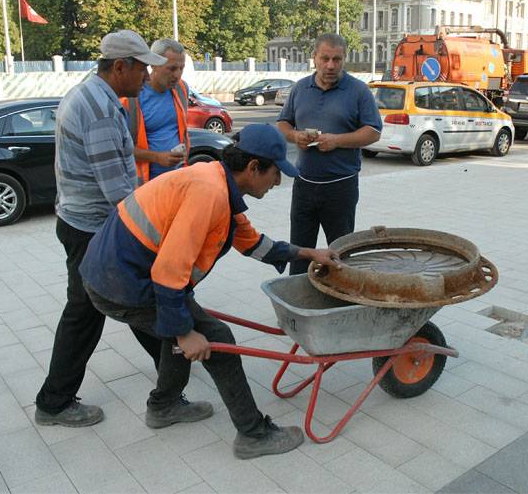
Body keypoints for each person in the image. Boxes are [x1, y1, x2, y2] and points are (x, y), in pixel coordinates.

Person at [78, 124, 341, 459]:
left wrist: (309, 253)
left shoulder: (218, 183)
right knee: (215, 338)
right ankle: (253, 434)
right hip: (121, 281)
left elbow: (254, 244)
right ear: (253, 168)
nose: (277, 182)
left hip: (121, 272)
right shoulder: (209, 194)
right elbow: (169, 272)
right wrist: (185, 332)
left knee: (179, 331)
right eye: (275, 173)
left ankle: (165, 406)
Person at [34, 30, 168, 428]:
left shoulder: (94, 96)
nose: (147, 76)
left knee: (122, 302)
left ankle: (171, 365)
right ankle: (54, 402)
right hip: (93, 228)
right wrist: (158, 232)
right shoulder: (98, 111)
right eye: (142, 67)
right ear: (120, 67)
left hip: (83, 222)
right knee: (106, 307)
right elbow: (119, 194)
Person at [276, 33, 382, 275]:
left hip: (340, 188)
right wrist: (296, 136)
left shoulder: (358, 90)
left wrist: (337, 141)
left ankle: (339, 302)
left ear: (345, 59)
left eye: (337, 59)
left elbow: (373, 132)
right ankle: (300, 303)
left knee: (341, 253)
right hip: (304, 185)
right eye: (325, 58)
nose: (330, 65)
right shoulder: (300, 88)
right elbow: (282, 124)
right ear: (314, 57)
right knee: (300, 252)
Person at [121, 38, 189, 183]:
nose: (177, 75)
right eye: (171, 68)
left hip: (177, 178)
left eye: (181, 68)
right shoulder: (131, 98)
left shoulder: (181, 88)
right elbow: (120, 148)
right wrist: (157, 157)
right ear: (154, 64)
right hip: (144, 184)